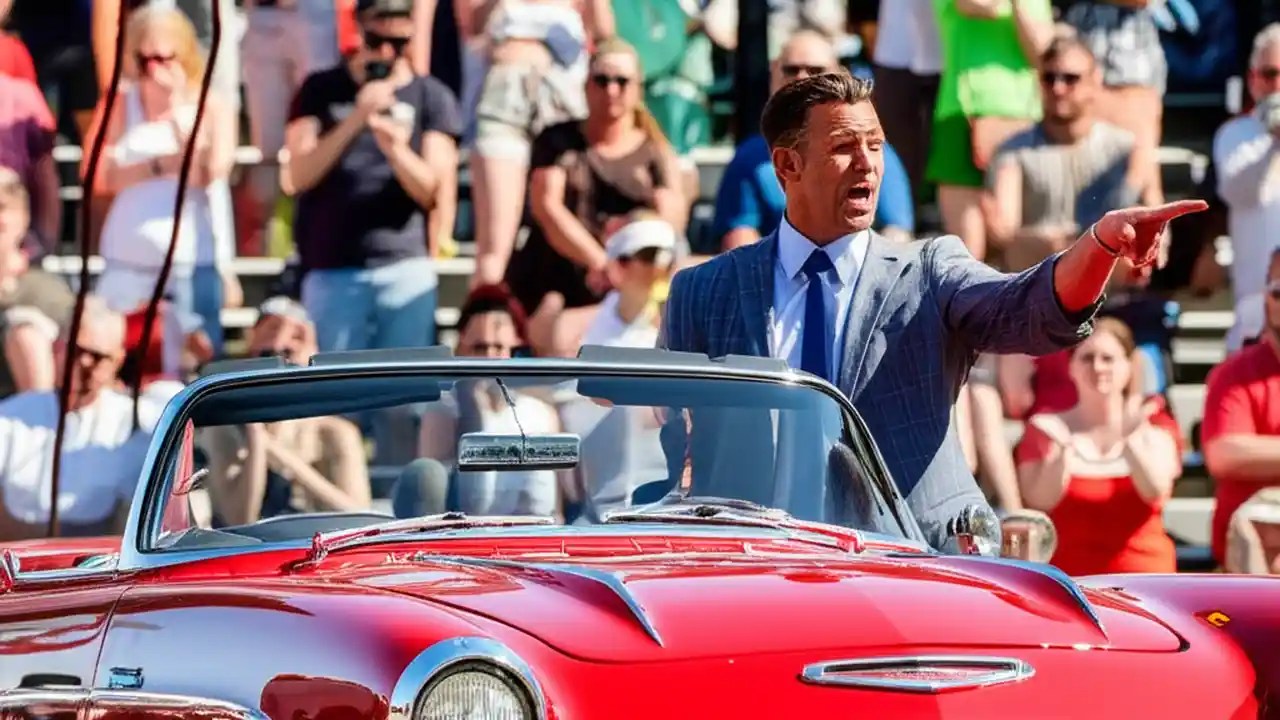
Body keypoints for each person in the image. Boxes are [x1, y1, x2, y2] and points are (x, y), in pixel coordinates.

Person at [660, 71, 1206, 547]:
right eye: (845, 146)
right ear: (788, 164)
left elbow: (1024, 307)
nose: (868, 164)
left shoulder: (928, 270)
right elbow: (672, 429)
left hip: (909, 566)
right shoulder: (703, 291)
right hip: (758, 567)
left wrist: (1098, 247)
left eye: (876, 145)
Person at [712, 30, 914, 253]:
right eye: (791, 70)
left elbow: (897, 233)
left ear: (840, 76)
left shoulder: (871, 151)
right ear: (773, 74)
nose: (802, 79)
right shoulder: (750, 157)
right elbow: (739, 240)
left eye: (816, 71)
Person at [1014, 318, 1180, 575]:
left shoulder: (1155, 424)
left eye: (1108, 359)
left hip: (1145, 577)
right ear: (1071, 367)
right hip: (1071, 581)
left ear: (1129, 366)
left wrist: (1130, 439)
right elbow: (1039, 500)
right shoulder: (1046, 429)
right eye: (1087, 358)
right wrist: (1062, 452)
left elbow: (1156, 491)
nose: (1098, 367)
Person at [0, 296, 158, 540]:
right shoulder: (11, 417)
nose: (84, 363)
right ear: (57, 348)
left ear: (117, 361)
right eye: (76, 350)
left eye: (97, 356)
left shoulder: (138, 423)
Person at [1202, 249, 1280, 569]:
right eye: (1279, 292)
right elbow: (1225, 454)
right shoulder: (1234, 374)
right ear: (1266, 298)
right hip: (1250, 563)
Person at [1214, 24, 1280, 352]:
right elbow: (1238, 193)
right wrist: (1274, 143)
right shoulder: (1234, 134)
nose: (1278, 85)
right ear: (1253, 79)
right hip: (1256, 312)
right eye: (1271, 74)